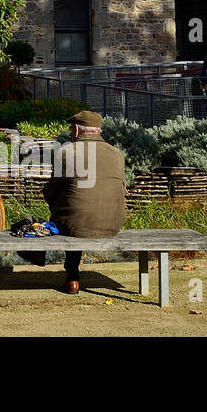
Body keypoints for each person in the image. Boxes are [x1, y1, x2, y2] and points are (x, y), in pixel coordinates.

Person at [41, 109, 127, 294]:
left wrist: (53, 201)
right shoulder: (117, 154)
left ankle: (73, 277)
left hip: (75, 225)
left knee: (71, 214)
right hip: (113, 223)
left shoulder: (67, 152)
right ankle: (72, 275)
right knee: (77, 211)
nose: (71, 133)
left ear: (78, 131)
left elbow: (52, 190)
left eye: (72, 129)